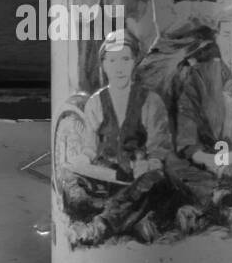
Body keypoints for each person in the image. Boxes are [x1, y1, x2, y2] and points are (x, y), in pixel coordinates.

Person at [62, 29, 175, 247]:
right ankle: (134, 221)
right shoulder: (96, 102)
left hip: (138, 180)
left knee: (153, 182)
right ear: (104, 64)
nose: (119, 67)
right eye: (112, 60)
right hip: (107, 178)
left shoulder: (150, 101)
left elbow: (159, 149)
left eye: (125, 59)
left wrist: (148, 163)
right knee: (69, 179)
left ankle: (101, 225)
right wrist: (81, 162)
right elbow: (89, 149)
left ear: (134, 61)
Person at [171, 7, 232, 234]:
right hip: (207, 161)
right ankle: (225, 209)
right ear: (216, 39)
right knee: (171, 163)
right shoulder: (199, 75)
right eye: (226, 35)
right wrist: (206, 158)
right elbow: (186, 123)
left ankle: (207, 209)